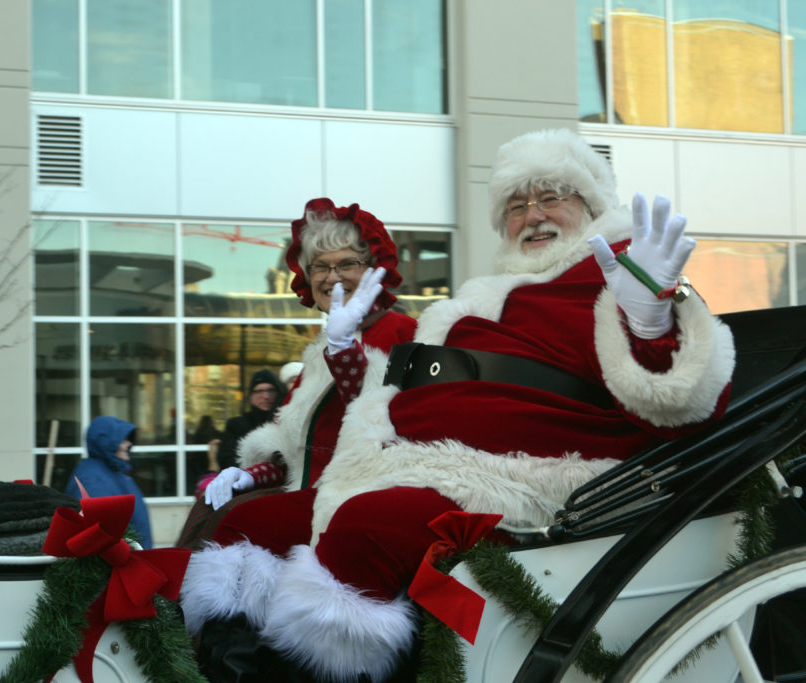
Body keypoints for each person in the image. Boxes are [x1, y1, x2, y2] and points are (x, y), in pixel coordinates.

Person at [179, 129, 736, 681]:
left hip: (524, 482)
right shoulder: (490, 295)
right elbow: (371, 399)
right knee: (254, 521)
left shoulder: (623, 272)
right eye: (516, 206)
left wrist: (649, 320)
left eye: (550, 197)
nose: (533, 215)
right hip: (411, 465)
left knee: (363, 528)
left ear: (590, 205)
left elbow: (682, 399)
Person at [179, 198, 420, 674]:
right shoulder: (321, 348)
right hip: (313, 491)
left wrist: (344, 348)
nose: (332, 277)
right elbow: (298, 449)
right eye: (320, 267)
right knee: (214, 507)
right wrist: (249, 475)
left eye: (346, 264)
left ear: (374, 270)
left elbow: (376, 414)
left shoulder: (402, 331)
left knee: (246, 524)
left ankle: (240, 668)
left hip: (361, 496)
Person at [65, 415, 153, 549]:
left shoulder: (115, 472)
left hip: (133, 555)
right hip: (121, 558)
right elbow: (100, 535)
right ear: (105, 443)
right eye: (123, 440)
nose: (129, 444)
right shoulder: (92, 480)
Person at [215, 369, 286, 472]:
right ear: (251, 396)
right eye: (259, 391)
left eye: (271, 390)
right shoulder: (236, 425)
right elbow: (227, 460)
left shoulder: (284, 422)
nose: (266, 396)